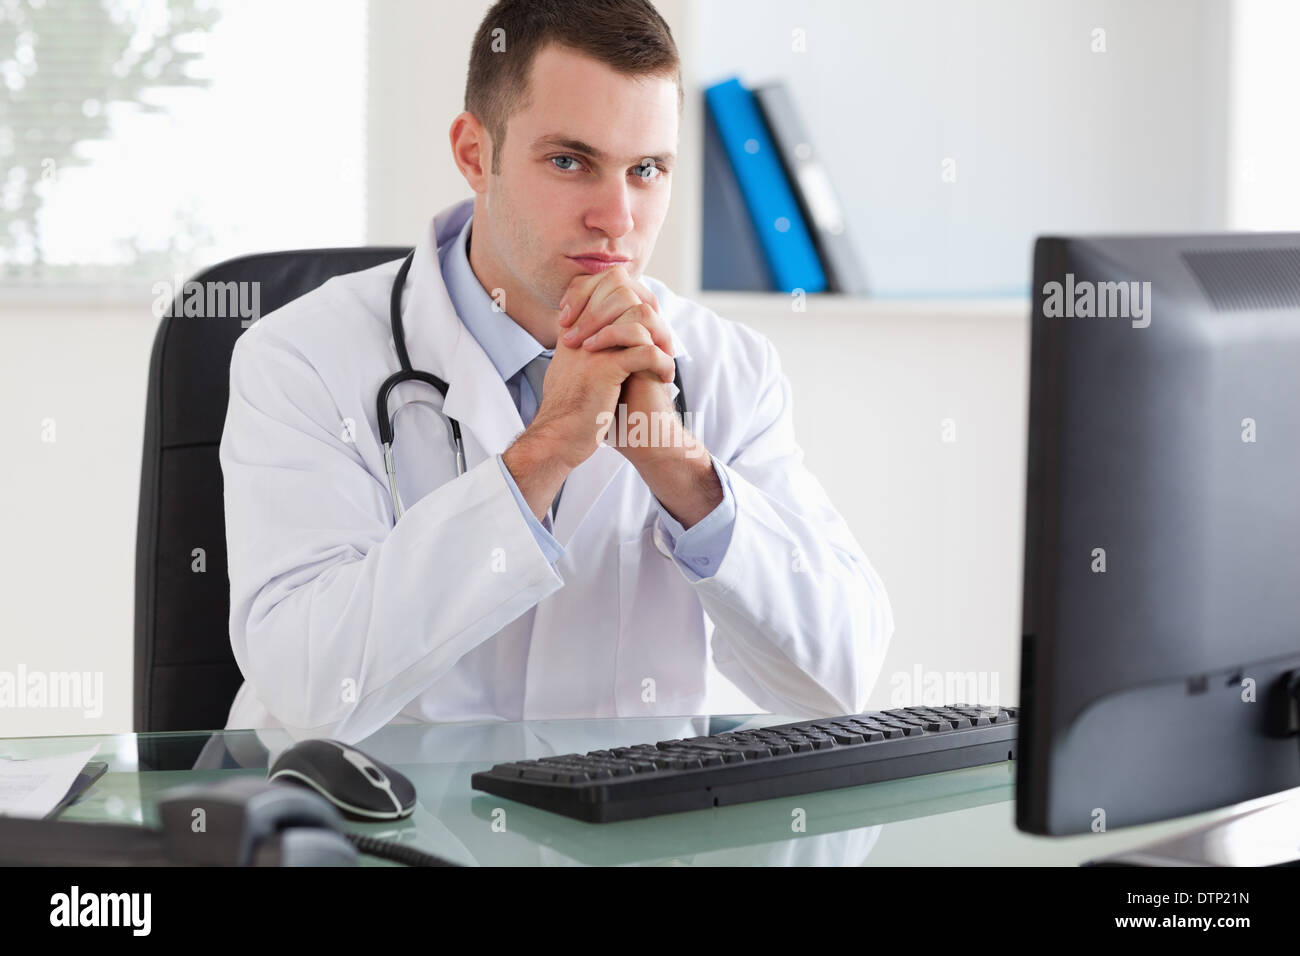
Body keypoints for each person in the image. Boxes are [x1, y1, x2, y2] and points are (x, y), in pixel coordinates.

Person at [219, 0, 893, 742]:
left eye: (647, 170)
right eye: (570, 162)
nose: (617, 216)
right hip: (374, 833)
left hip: (632, 841)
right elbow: (308, 684)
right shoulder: (300, 357)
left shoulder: (730, 367)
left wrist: (683, 473)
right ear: (476, 154)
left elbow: (839, 678)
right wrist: (546, 452)